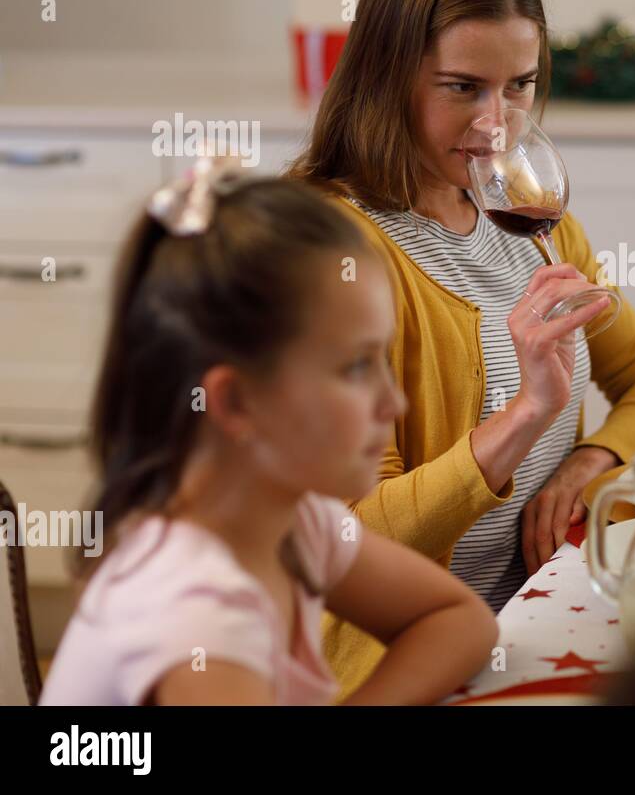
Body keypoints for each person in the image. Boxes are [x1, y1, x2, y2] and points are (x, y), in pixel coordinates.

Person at [286, 0, 635, 695]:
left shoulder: (535, 222)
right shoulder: (328, 250)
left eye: (521, 86)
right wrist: (523, 420)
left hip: (538, 619)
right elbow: (350, 540)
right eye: (463, 87)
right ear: (384, 73)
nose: (497, 124)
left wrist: (590, 461)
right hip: (405, 668)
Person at [40, 162, 497, 705]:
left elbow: (457, 619)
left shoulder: (296, 520)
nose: (392, 401)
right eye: (355, 367)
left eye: (384, 360)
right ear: (235, 401)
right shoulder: (199, 618)